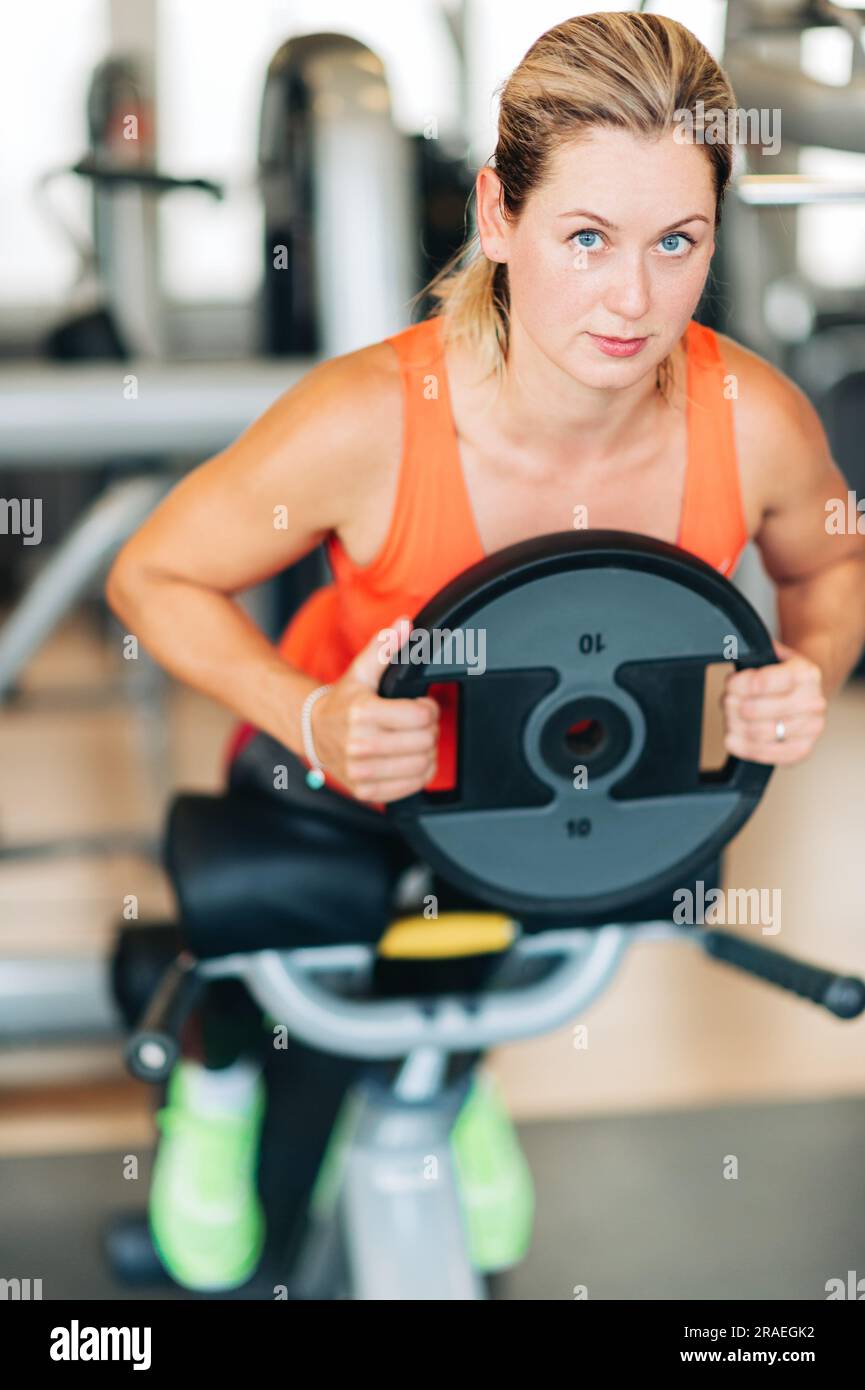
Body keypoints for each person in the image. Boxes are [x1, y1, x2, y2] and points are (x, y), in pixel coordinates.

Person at [106, 11, 865, 1292]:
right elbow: (152, 573)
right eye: (587, 238)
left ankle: (447, 1083)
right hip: (339, 788)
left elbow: (831, 565)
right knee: (268, 971)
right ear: (498, 215)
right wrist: (309, 715)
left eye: (677, 242)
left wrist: (809, 676)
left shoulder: (757, 419)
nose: (634, 300)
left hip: (569, 787)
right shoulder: (364, 421)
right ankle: (219, 1075)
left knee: (482, 968)